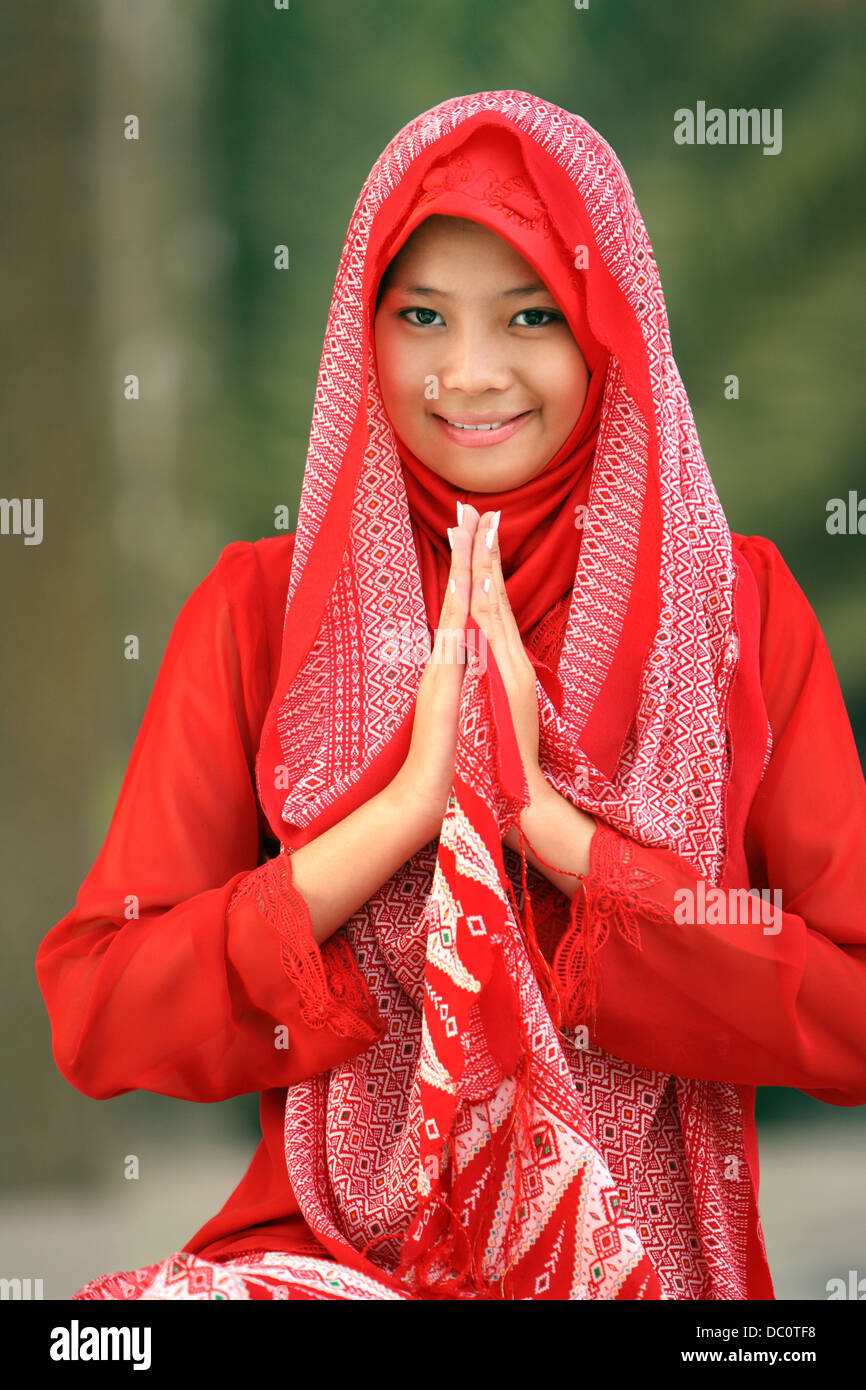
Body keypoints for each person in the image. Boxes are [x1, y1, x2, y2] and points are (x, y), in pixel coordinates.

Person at [36, 90, 866, 1302]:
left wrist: (556, 835)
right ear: (360, 332)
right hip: (321, 1257)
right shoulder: (261, 611)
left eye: (529, 315)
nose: (468, 374)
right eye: (420, 315)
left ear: (606, 327)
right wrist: (397, 816)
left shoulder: (731, 611)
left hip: (639, 1267)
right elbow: (101, 1009)